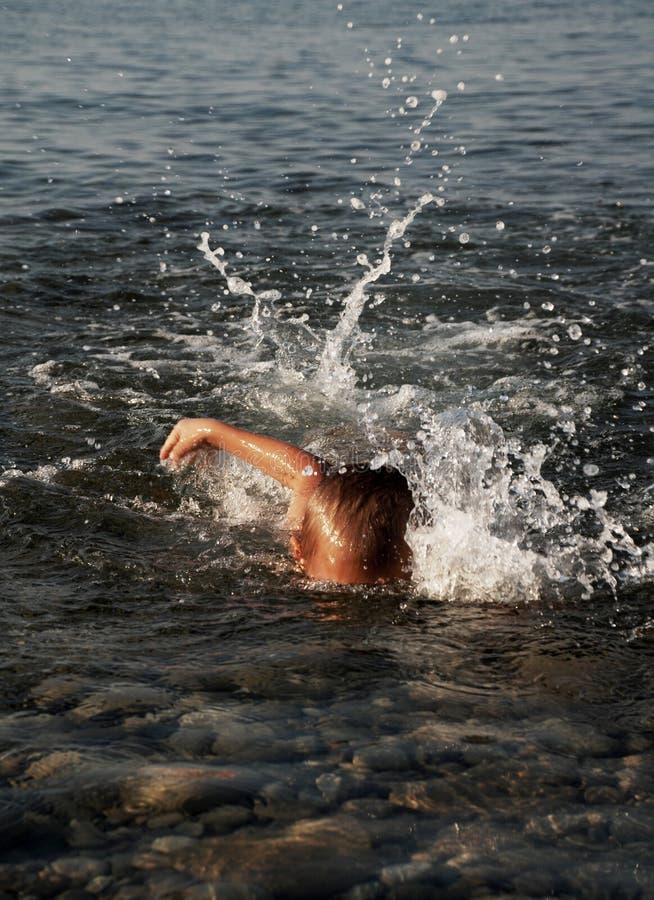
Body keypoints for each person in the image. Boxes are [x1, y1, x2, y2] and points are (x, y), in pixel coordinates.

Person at [159, 418, 413, 584]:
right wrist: (213, 433)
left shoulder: (419, 558)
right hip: (346, 445)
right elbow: (308, 471)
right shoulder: (300, 535)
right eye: (328, 588)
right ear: (298, 553)